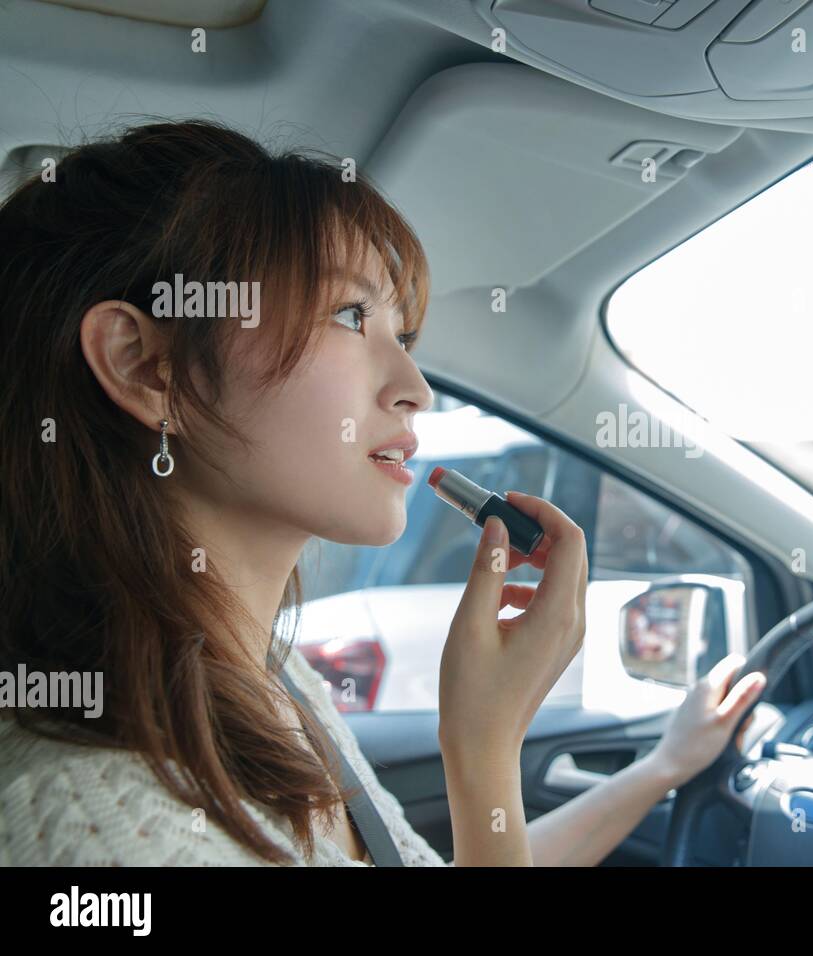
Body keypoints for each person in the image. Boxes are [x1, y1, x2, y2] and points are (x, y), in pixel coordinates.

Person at [0, 120, 766, 866]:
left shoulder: (271, 684)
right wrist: (482, 751)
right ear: (145, 366)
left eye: (401, 338)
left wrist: (662, 766)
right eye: (347, 314)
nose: (415, 390)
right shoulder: (88, 819)